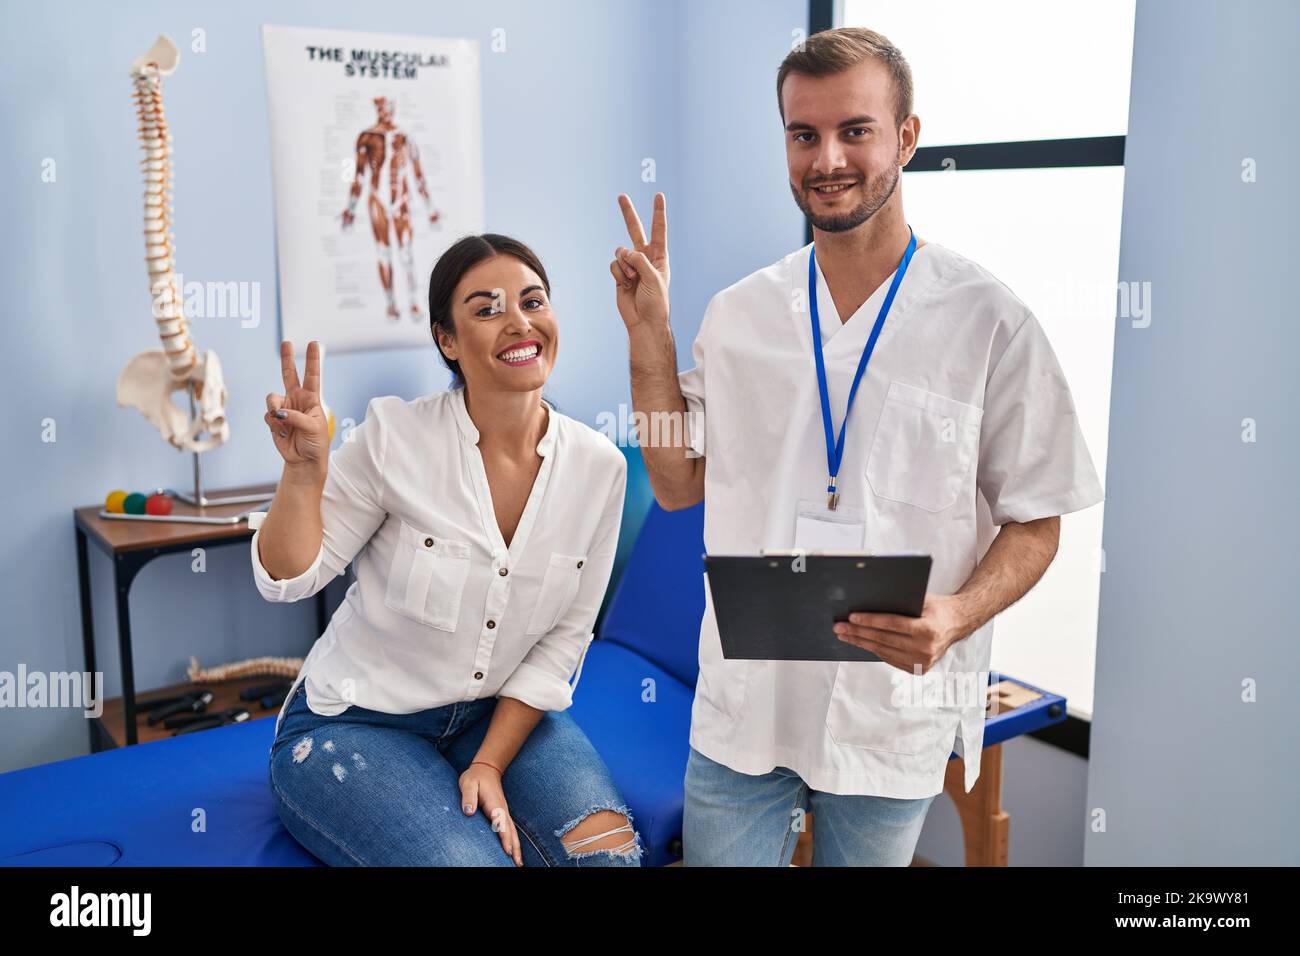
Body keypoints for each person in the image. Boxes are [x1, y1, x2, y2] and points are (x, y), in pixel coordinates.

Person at [610, 26, 1103, 866]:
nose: (826, 157)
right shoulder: (740, 314)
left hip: (891, 711)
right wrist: (649, 333)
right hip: (745, 703)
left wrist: (955, 615)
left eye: (855, 130)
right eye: (804, 135)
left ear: (906, 137)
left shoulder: (990, 321)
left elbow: (1038, 521)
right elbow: (674, 481)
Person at [253, 234, 640, 866]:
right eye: (486, 308)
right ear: (448, 342)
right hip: (356, 721)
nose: (518, 321)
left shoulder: (599, 468)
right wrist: (301, 477)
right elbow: (287, 580)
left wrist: (489, 761)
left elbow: (564, 641)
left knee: (608, 856)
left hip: (498, 719)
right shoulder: (393, 438)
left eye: (532, 301)